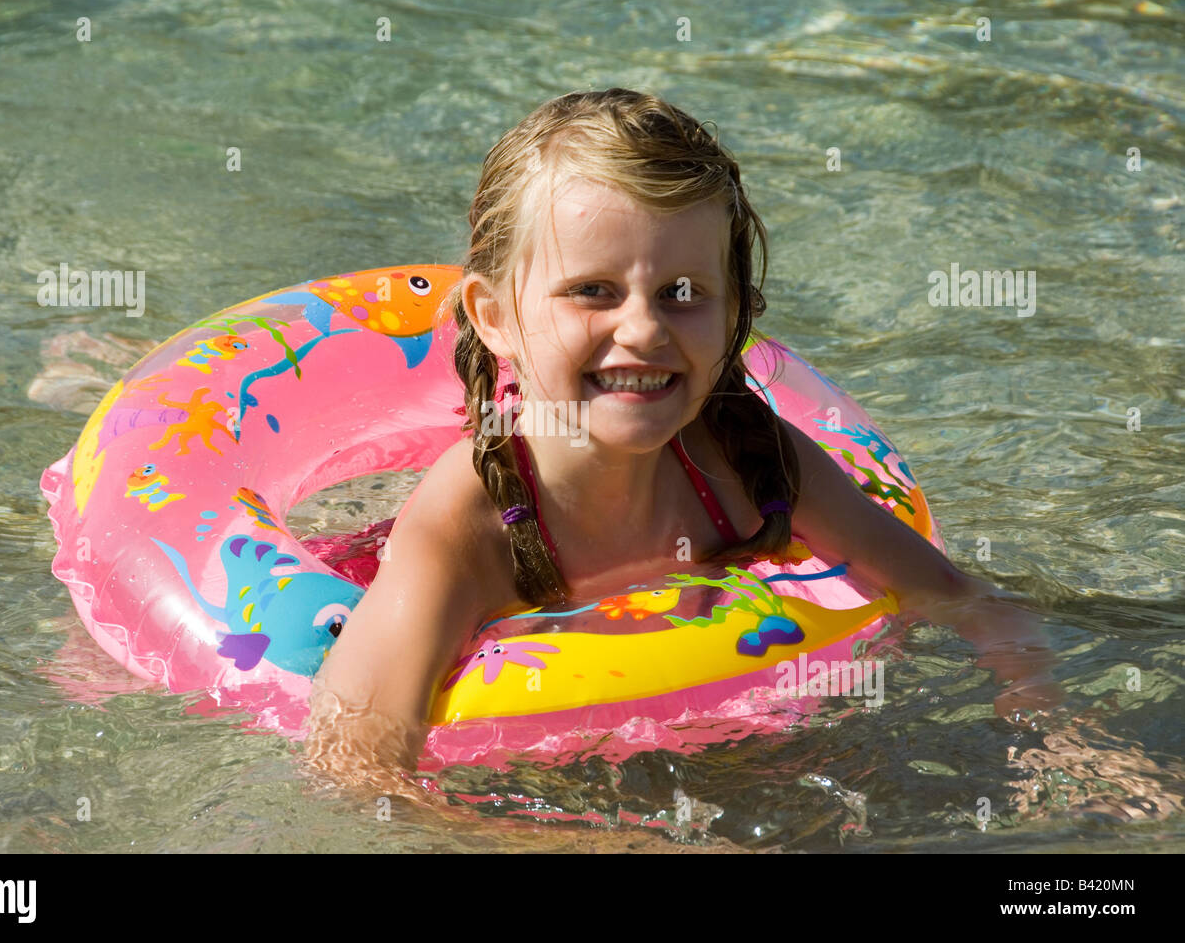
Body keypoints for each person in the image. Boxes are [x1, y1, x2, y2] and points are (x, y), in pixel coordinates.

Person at [303, 88, 1060, 792]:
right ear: (494, 315)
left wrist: (1054, 731)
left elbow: (959, 597)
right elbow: (359, 770)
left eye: (685, 293)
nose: (644, 330)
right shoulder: (458, 531)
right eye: (592, 290)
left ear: (735, 313)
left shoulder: (750, 461)